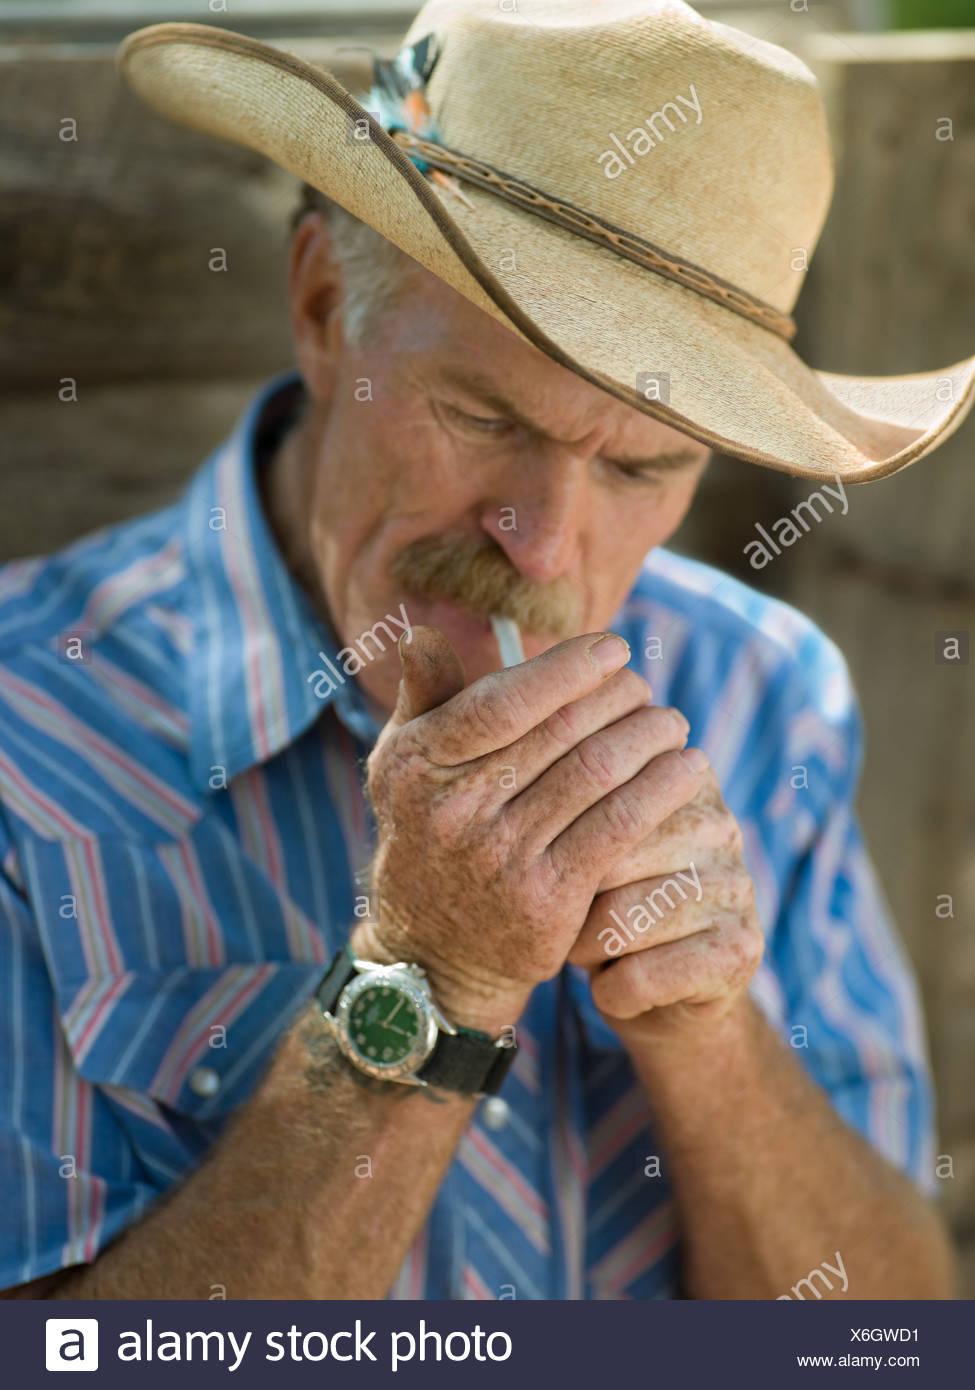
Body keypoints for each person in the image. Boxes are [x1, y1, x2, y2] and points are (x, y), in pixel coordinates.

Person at [1, 0, 970, 1300]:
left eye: (640, 464)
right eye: (482, 414)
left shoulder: (764, 690)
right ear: (323, 301)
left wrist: (710, 1036)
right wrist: (428, 978)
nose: (543, 542)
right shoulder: (28, 730)